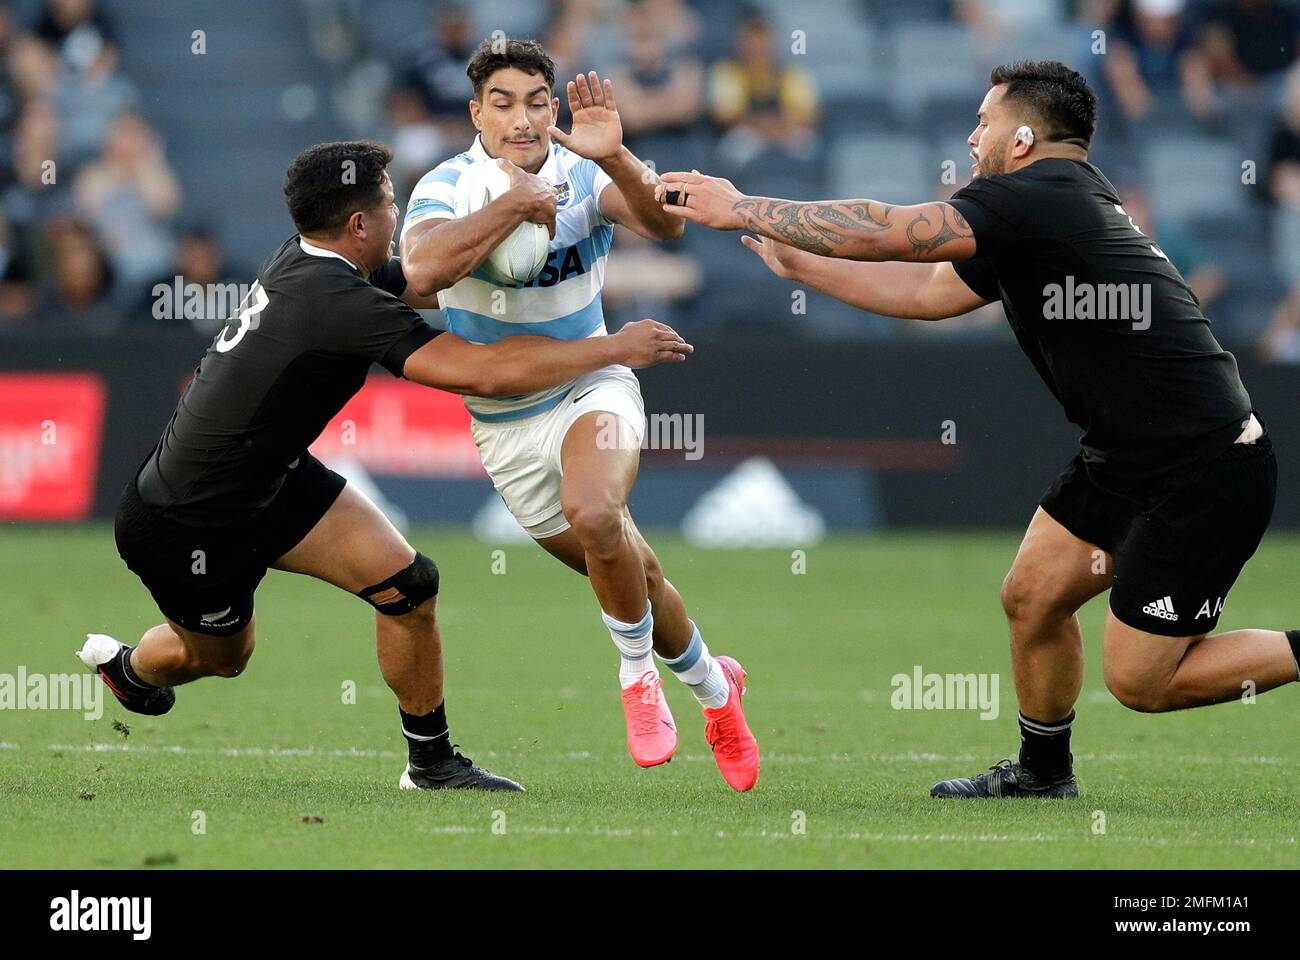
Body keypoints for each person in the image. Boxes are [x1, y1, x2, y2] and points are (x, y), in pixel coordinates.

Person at [658, 59, 1297, 799]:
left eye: (984, 122)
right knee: (1032, 594)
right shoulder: (1043, 204)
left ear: (1023, 137)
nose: (971, 136)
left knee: (1142, 681)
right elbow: (929, 294)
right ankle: (1042, 774)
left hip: (1202, 465)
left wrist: (741, 207)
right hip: (1128, 454)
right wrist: (805, 270)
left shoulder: (1039, 195)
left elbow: (892, 231)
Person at [80, 139, 692, 794]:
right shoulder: (337, 303)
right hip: (187, 520)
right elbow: (483, 374)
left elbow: (424, 275)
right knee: (222, 658)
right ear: (360, 225)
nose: (398, 216)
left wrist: (513, 220)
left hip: (270, 482)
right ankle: (132, 673)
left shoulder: (313, 259)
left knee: (409, 586)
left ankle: (430, 763)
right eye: (392, 204)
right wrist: (611, 349)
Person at [400, 38, 759, 791]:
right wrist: (511, 208)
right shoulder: (444, 185)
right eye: (502, 103)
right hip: (505, 425)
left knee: (596, 514)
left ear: (554, 106)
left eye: (537, 101)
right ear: (476, 113)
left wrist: (619, 158)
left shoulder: (581, 169)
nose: (522, 118)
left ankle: (637, 679)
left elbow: (665, 227)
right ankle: (718, 691)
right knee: (636, 569)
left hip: (593, 380)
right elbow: (423, 272)